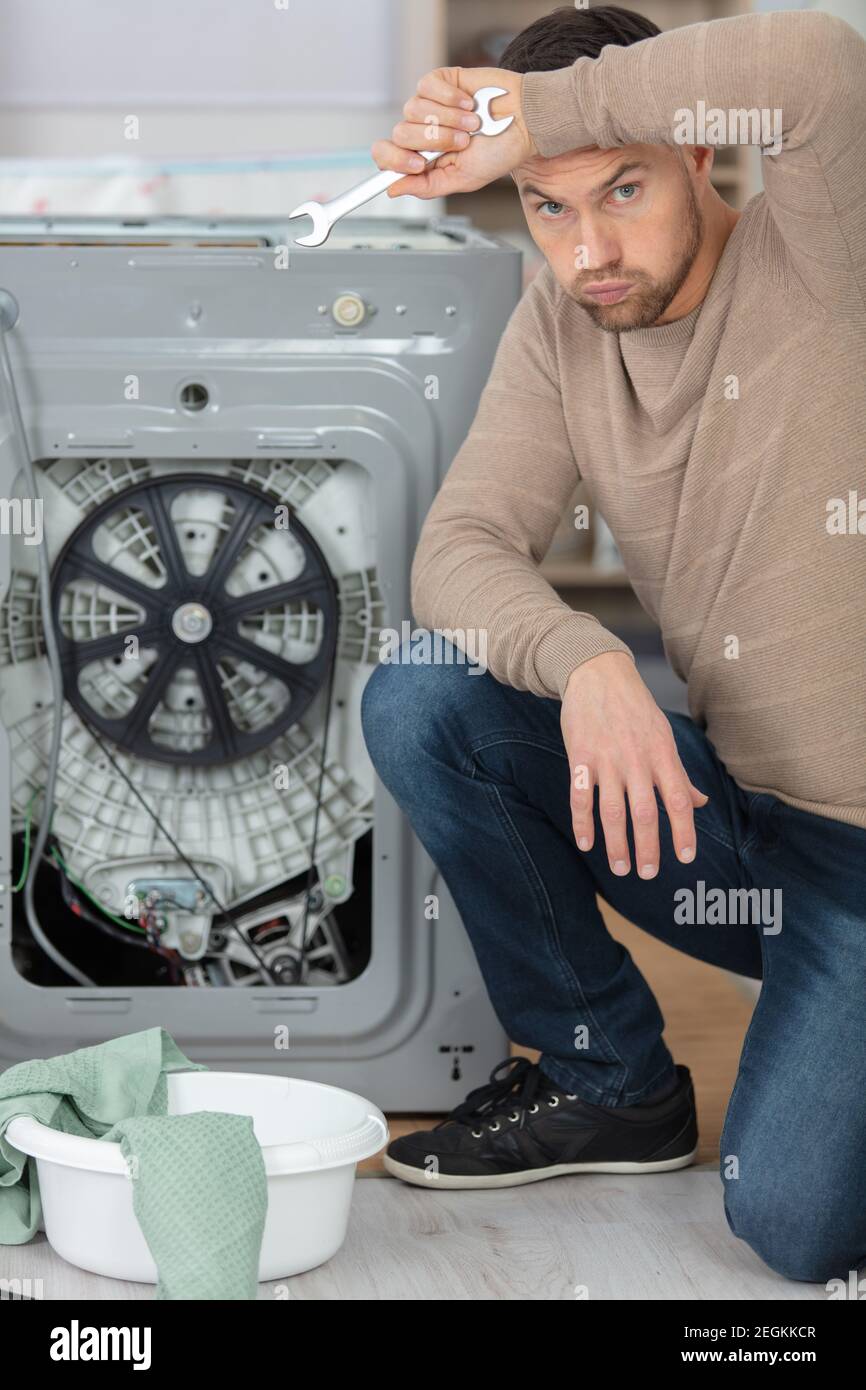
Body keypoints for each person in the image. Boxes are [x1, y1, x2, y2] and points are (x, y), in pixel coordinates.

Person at [360, 4, 866, 1283]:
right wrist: (585, 664)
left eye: (621, 189)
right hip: (742, 833)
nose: (587, 249)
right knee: (424, 696)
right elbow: (457, 547)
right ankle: (606, 1080)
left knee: (792, 1224)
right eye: (543, 206)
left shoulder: (821, 239)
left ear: (703, 153)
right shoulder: (566, 320)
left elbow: (812, 61)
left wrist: (523, 116)